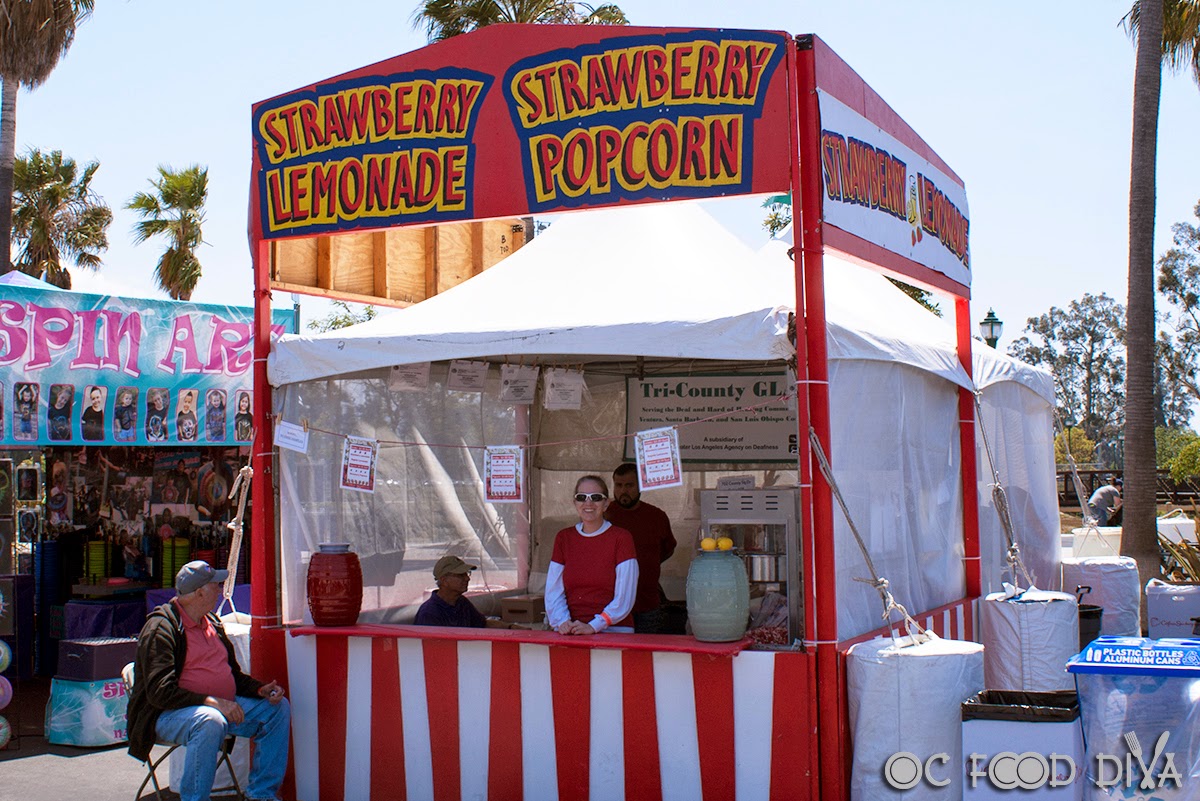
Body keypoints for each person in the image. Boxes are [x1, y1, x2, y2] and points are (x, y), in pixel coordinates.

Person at [127, 560, 290, 801]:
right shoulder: (161, 628)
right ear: (200, 592)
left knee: (278, 710)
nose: (219, 590)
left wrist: (259, 689)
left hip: (219, 705)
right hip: (167, 714)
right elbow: (160, 693)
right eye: (215, 585)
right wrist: (212, 703)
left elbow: (231, 674)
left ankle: (261, 795)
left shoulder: (212, 622)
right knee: (209, 720)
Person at [546, 475, 639, 635]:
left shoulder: (621, 538)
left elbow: (625, 596)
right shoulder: (564, 538)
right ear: (575, 503)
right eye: (581, 497)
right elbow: (553, 590)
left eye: (596, 497)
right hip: (572, 632)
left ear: (606, 503)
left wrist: (594, 625)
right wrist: (562, 621)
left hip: (614, 630)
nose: (588, 503)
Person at [604, 463, 677, 633]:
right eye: (619, 485)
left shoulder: (657, 516)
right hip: (611, 606)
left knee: (646, 656)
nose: (623, 491)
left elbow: (668, 549)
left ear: (640, 486)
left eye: (629, 485)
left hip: (647, 604)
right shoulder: (604, 516)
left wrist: (646, 564)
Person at [414, 555, 520, 628]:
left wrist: (511, 627)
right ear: (444, 580)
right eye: (460, 575)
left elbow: (483, 624)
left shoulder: (462, 603)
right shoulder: (429, 613)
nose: (467, 578)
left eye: (467, 574)